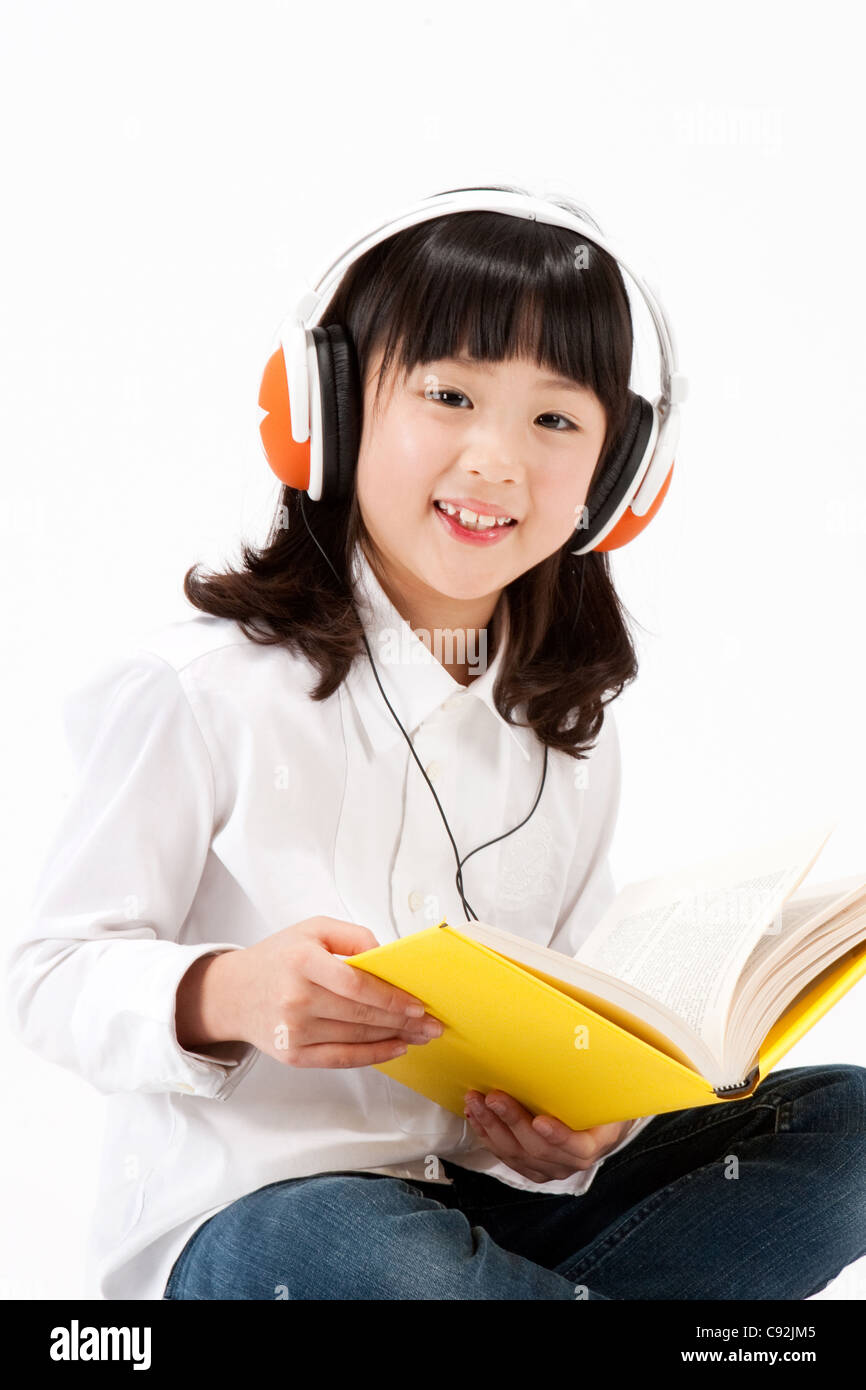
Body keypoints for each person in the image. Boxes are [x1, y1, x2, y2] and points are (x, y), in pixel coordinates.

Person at [7, 186, 866, 1301]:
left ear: (617, 478)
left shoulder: (563, 730)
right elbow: (45, 975)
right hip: (276, 1223)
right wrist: (229, 991)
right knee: (380, 1261)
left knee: (837, 1125)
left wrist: (575, 1137)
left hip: (483, 1218)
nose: (495, 459)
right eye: (449, 394)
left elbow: (558, 1024)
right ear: (330, 411)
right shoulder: (202, 689)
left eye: (554, 420)